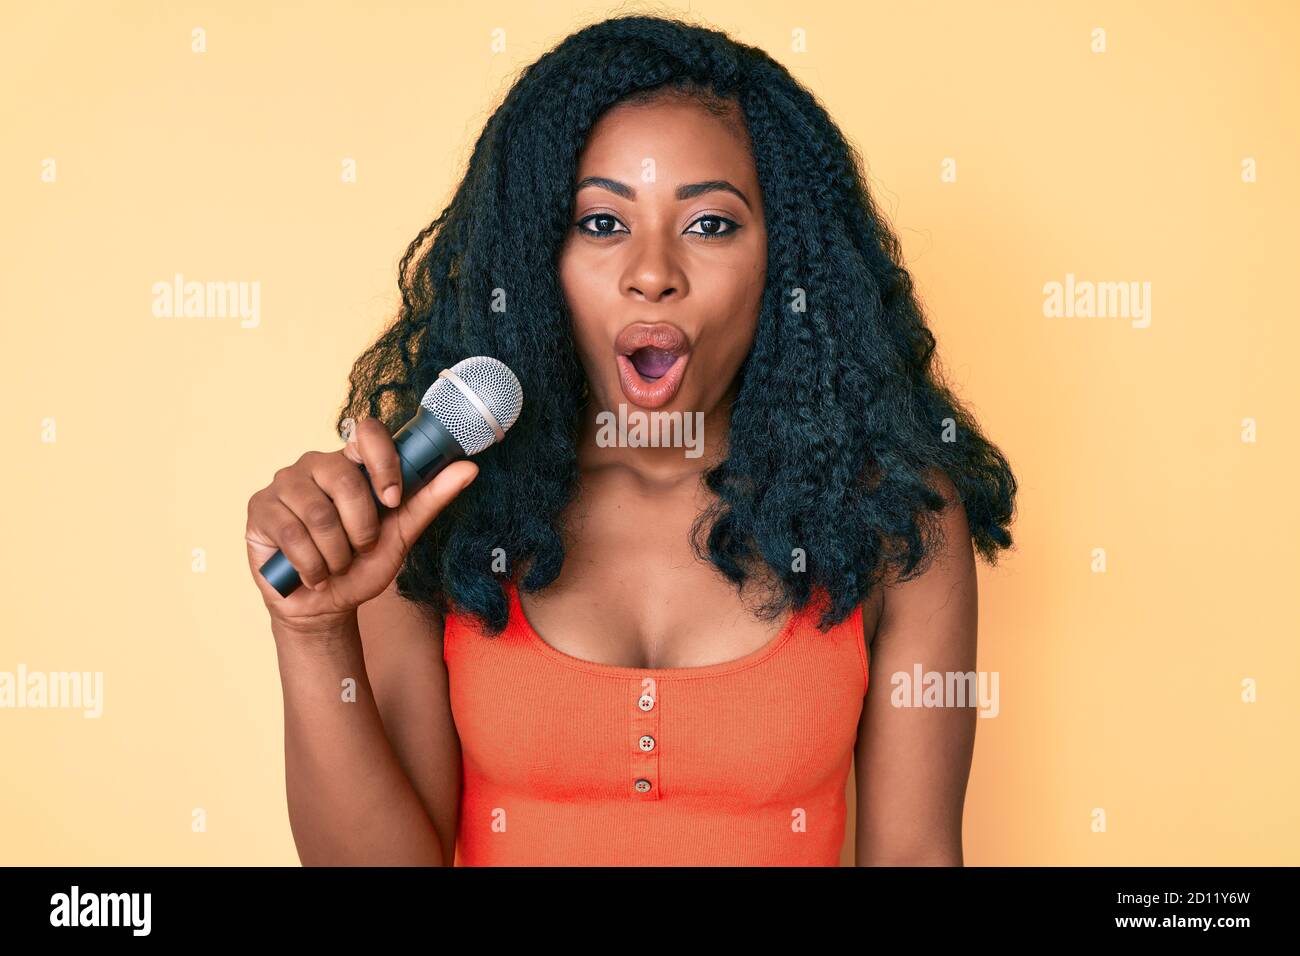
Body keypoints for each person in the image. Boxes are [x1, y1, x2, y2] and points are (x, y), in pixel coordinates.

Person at [245, 14, 1017, 866]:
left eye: (711, 224)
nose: (653, 271)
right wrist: (314, 634)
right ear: (540, 257)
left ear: (786, 262)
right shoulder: (441, 503)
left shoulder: (897, 516)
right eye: (602, 223)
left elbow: (915, 858)